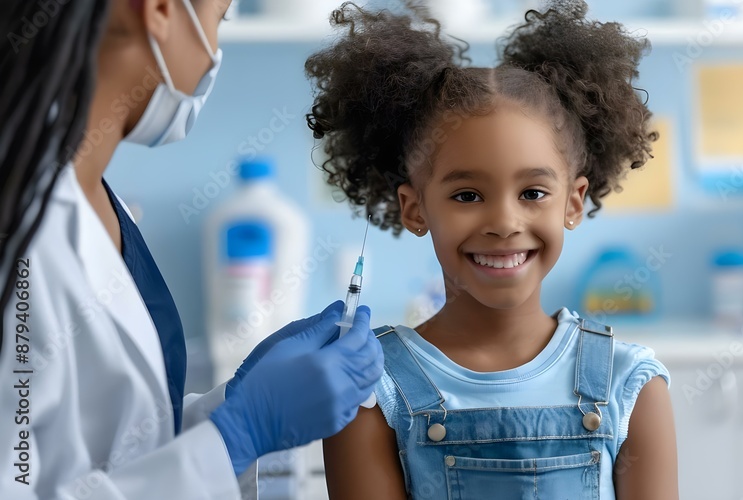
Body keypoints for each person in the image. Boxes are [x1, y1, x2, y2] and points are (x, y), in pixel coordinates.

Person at [0, 1, 383, 498]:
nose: (213, 52)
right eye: (217, 17)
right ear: (159, 8)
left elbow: (109, 453)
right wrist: (239, 434)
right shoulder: (21, 222)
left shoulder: (88, 192)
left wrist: (231, 411)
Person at [307, 2, 679, 499]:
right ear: (414, 209)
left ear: (573, 203)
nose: (504, 223)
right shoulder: (372, 390)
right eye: (467, 196)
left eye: (533, 193)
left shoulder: (630, 385)